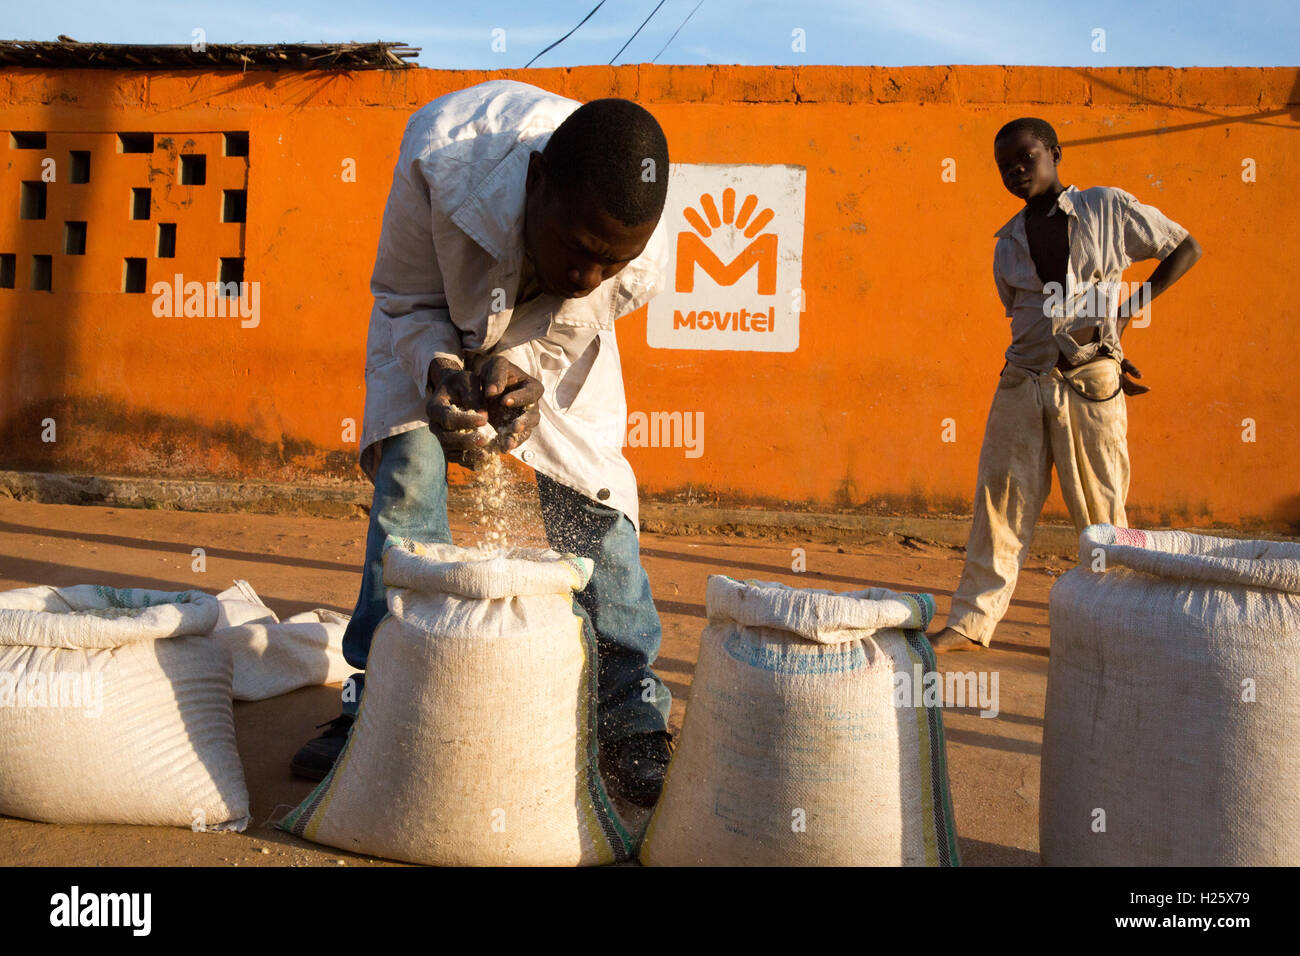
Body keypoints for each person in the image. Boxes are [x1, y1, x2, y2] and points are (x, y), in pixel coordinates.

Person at [290, 80, 676, 806]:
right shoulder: (437, 157)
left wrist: (525, 368)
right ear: (536, 182)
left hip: (551, 346)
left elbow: (573, 321)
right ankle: (381, 697)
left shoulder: (638, 254)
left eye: (610, 265)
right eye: (581, 250)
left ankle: (627, 711)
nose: (588, 276)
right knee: (408, 475)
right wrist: (438, 368)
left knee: (590, 502)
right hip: (429, 317)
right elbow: (407, 300)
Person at [930, 117, 1202, 653]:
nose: (1015, 170)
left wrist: (1126, 316)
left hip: (1090, 376)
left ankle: (1114, 628)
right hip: (1021, 380)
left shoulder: (1107, 208)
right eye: (1004, 164)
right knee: (999, 504)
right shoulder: (1007, 242)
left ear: (1055, 152)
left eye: (1026, 157)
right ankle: (971, 622)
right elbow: (1025, 316)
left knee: (1101, 509)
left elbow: (1185, 247)